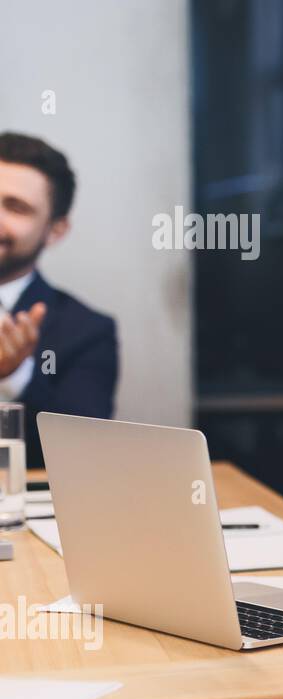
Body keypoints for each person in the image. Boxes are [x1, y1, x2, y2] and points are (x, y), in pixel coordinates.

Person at [0, 132, 118, 467]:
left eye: (16, 207)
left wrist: (14, 376)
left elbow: (83, 457)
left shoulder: (86, 331)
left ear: (55, 230)